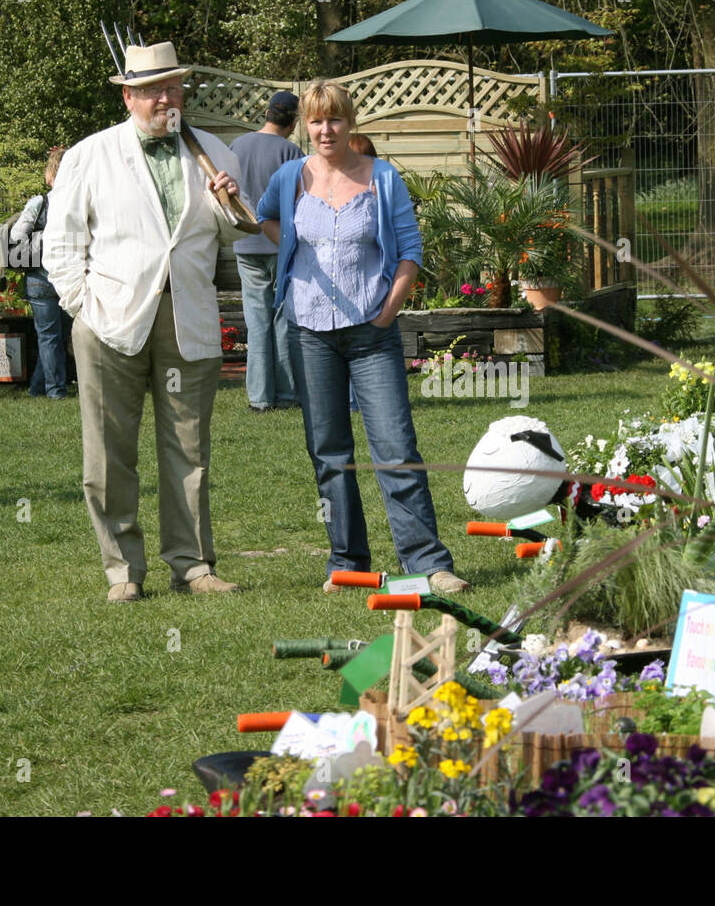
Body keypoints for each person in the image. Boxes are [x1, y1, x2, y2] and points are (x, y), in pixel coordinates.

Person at [45, 42, 250, 603]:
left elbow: (237, 235)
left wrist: (231, 203)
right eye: (155, 90)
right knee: (108, 455)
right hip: (109, 322)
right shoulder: (91, 154)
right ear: (129, 96)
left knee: (190, 449)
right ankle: (123, 572)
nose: (167, 98)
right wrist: (81, 305)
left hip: (187, 319)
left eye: (175, 87)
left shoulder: (212, 151)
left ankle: (193, 566)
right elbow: (61, 241)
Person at [256, 80, 469, 595]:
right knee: (329, 453)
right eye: (315, 120)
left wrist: (387, 311)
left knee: (395, 448)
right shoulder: (290, 177)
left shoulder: (383, 177)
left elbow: (410, 251)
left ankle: (426, 563)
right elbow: (263, 218)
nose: (325, 130)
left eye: (334, 120)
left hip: (372, 337)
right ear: (305, 125)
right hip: (310, 334)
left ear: (350, 123)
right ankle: (347, 564)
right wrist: (288, 249)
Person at [231, 91, 303, 412]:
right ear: (293, 121)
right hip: (281, 244)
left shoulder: (237, 147)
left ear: (266, 113)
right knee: (282, 319)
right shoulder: (291, 152)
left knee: (257, 321)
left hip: (245, 244)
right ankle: (287, 394)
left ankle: (260, 398)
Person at [11, 147, 72, 399]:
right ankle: (54, 390)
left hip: (39, 275)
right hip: (70, 275)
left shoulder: (40, 202)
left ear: (50, 173)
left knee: (49, 336)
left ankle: (42, 388)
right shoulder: (79, 201)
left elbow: (15, 236)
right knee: (59, 335)